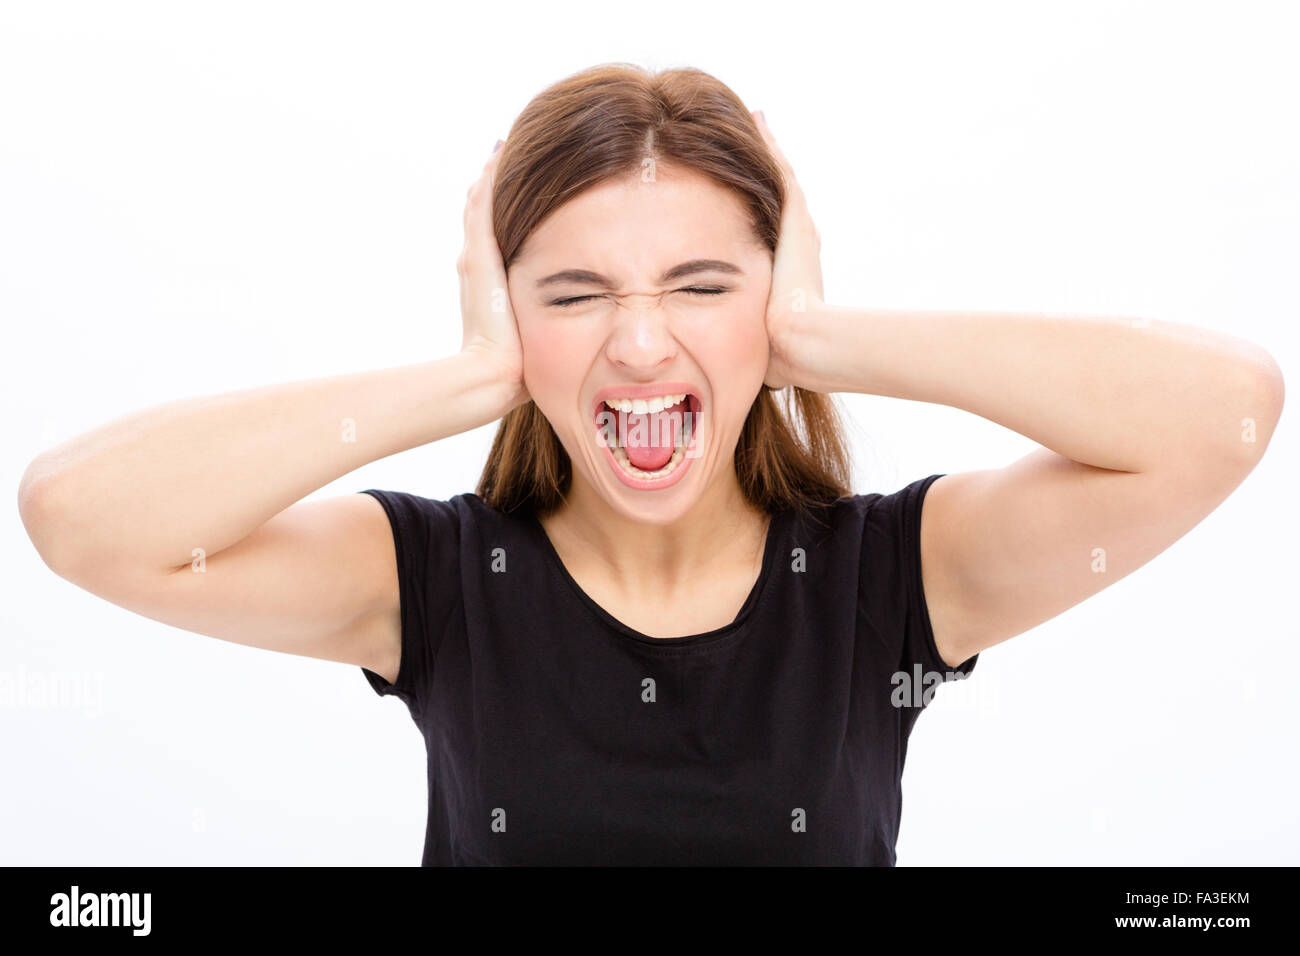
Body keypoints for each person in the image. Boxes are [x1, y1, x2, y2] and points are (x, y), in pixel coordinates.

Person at [17, 63, 1284, 866]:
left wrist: (819, 340)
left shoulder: (890, 578)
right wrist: (469, 376)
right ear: (509, 314)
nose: (636, 340)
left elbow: (1226, 413)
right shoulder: (438, 579)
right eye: (572, 295)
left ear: (770, 299)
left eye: (701, 284)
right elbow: (80, 518)